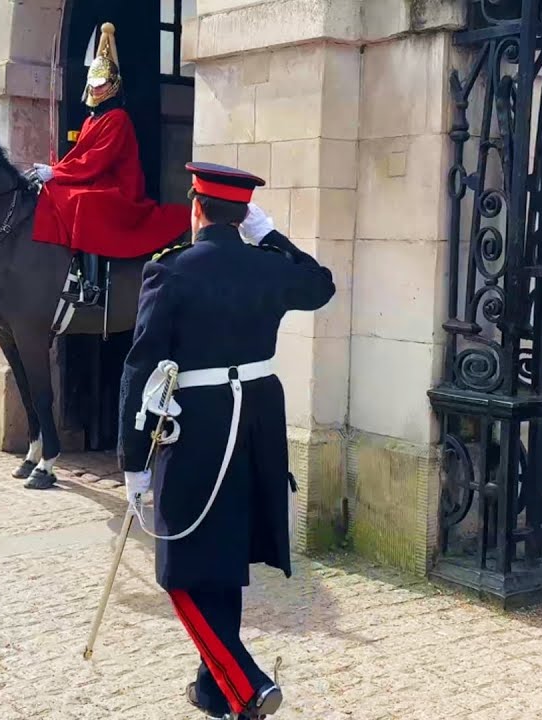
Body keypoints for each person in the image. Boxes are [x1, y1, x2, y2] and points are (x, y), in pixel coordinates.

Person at [117, 163, 336, 719]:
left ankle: (246, 685)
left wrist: (132, 459)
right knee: (223, 555)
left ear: (196, 208)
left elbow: (141, 366)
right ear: (244, 215)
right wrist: (272, 237)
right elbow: (320, 284)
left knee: (178, 565)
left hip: (200, 426)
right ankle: (212, 687)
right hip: (258, 424)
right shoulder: (268, 266)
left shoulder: (170, 271)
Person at [29, 22, 189, 308]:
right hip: (98, 179)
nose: (96, 88)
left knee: (84, 203)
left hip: (119, 188)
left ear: (113, 85)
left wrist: (57, 172)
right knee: (55, 193)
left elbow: (97, 159)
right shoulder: (91, 120)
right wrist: (54, 172)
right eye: (94, 83)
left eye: (101, 83)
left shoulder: (118, 119)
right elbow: (78, 155)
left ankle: (92, 285)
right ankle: (69, 268)